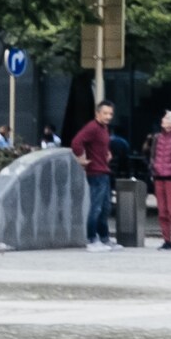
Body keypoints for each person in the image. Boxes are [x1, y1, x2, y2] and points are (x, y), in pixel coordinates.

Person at [73, 102, 117, 250]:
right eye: (105, 113)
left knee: (105, 207)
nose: (108, 117)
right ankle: (91, 239)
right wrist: (81, 158)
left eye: (110, 114)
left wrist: (107, 153)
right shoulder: (92, 127)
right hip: (96, 172)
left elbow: (100, 145)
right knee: (96, 207)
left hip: (104, 171)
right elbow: (76, 142)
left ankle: (104, 238)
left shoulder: (104, 128)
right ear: (97, 114)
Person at [147, 110, 171, 249]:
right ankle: (167, 240)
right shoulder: (157, 137)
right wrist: (153, 168)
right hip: (159, 176)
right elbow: (152, 154)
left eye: (167, 118)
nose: (163, 120)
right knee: (162, 211)